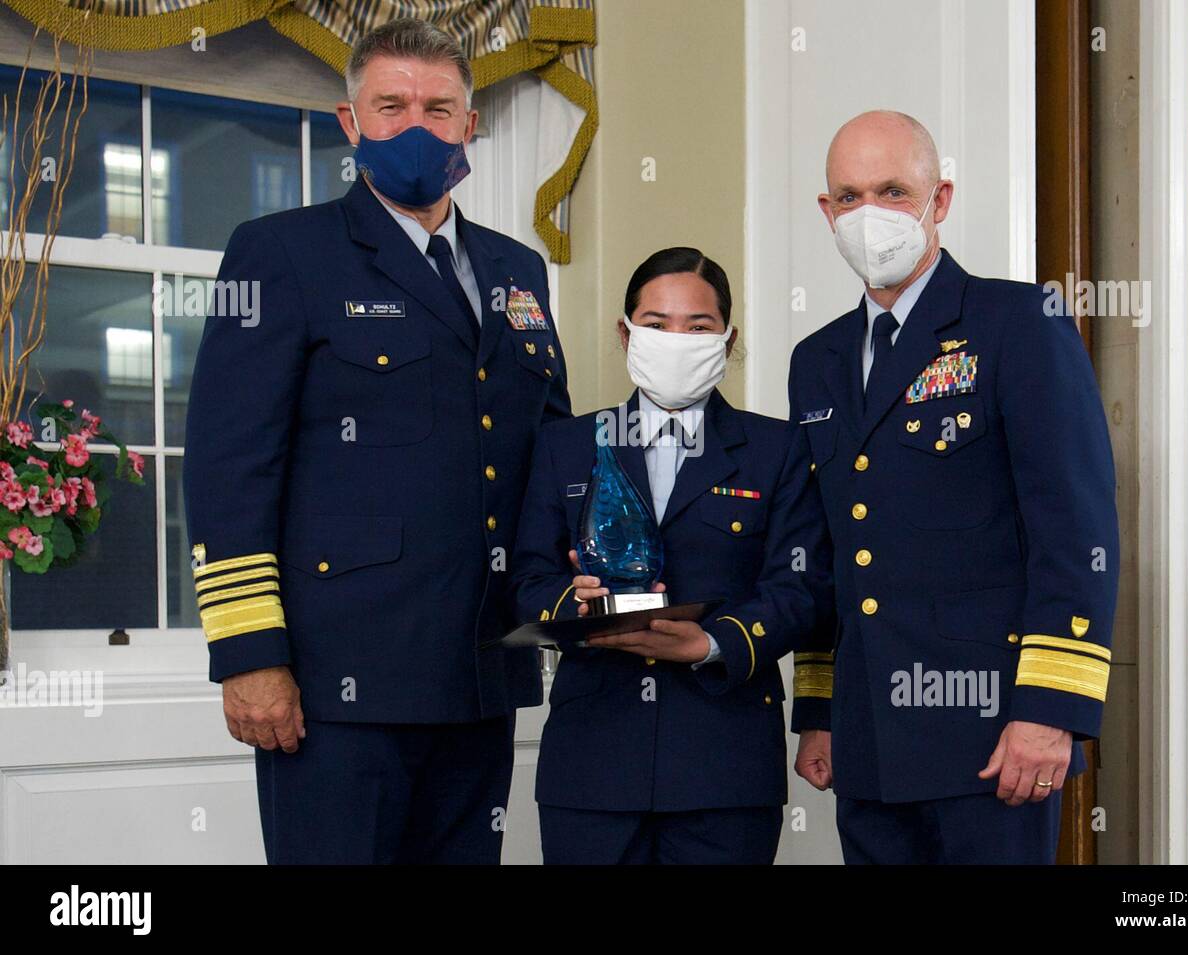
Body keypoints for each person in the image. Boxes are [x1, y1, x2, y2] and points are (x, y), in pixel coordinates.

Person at [183, 19, 570, 864]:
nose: (417, 126)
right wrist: (249, 653)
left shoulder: (518, 270)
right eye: (390, 106)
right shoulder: (281, 253)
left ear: (470, 125)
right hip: (335, 687)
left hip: (481, 675)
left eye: (440, 107)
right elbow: (227, 468)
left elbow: (554, 452)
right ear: (349, 122)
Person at [787, 110, 1119, 864]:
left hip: (991, 739)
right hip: (867, 739)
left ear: (940, 201)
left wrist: (1050, 712)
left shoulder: (1016, 322)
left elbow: (1076, 532)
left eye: (893, 191)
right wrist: (820, 710)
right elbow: (829, 549)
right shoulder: (818, 358)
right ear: (826, 212)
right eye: (848, 196)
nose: (869, 216)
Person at [511, 247, 832, 864]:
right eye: (656, 325)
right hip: (593, 766)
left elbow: (803, 590)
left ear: (728, 338)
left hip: (724, 766)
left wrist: (709, 644)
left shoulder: (778, 449)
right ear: (625, 332)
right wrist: (569, 605)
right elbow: (526, 577)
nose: (675, 340)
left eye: (698, 326)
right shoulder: (566, 446)